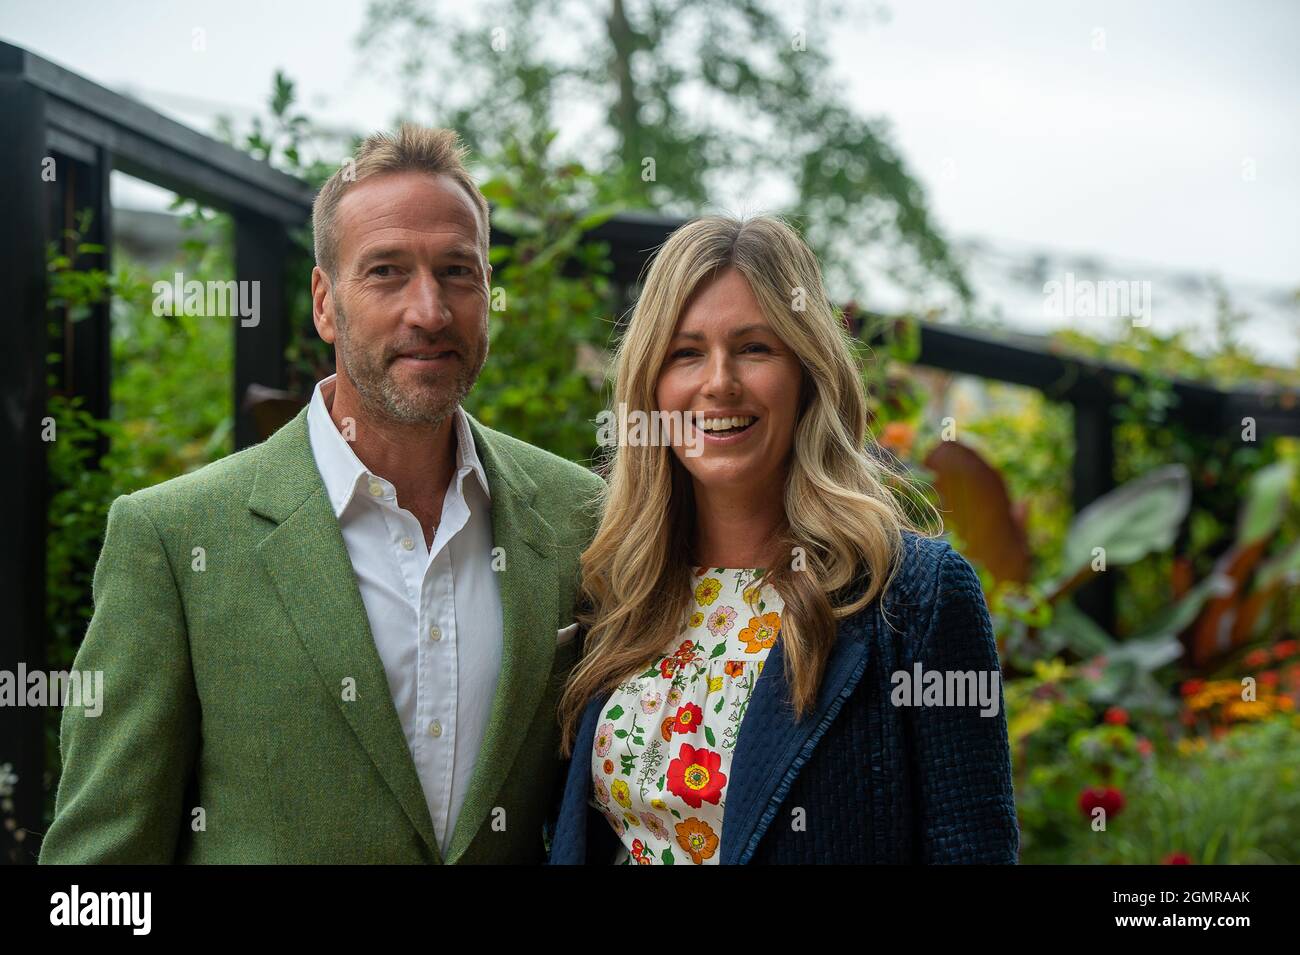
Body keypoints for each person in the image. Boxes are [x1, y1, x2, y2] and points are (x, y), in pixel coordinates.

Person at [40, 125, 603, 864]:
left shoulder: (577, 515)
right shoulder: (174, 541)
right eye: (387, 272)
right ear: (325, 302)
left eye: (458, 272)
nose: (429, 311)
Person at [549, 215, 1019, 864]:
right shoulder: (621, 590)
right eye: (687, 353)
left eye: (754, 348)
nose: (719, 382)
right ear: (651, 388)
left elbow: (973, 850)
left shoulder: (915, 599)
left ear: (807, 374)